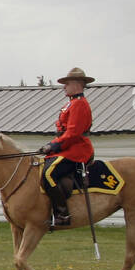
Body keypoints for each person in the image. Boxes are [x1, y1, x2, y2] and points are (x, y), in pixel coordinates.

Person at [39, 67, 95, 228]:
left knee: (48, 174)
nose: (64, 87)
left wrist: (54, 145)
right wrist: (52, 145)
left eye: (67, 84)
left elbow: (73, 133)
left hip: (78, 149)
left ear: (77, 84)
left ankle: (62, 214)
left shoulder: (79, 104)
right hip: (68, 147)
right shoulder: (71, 103)